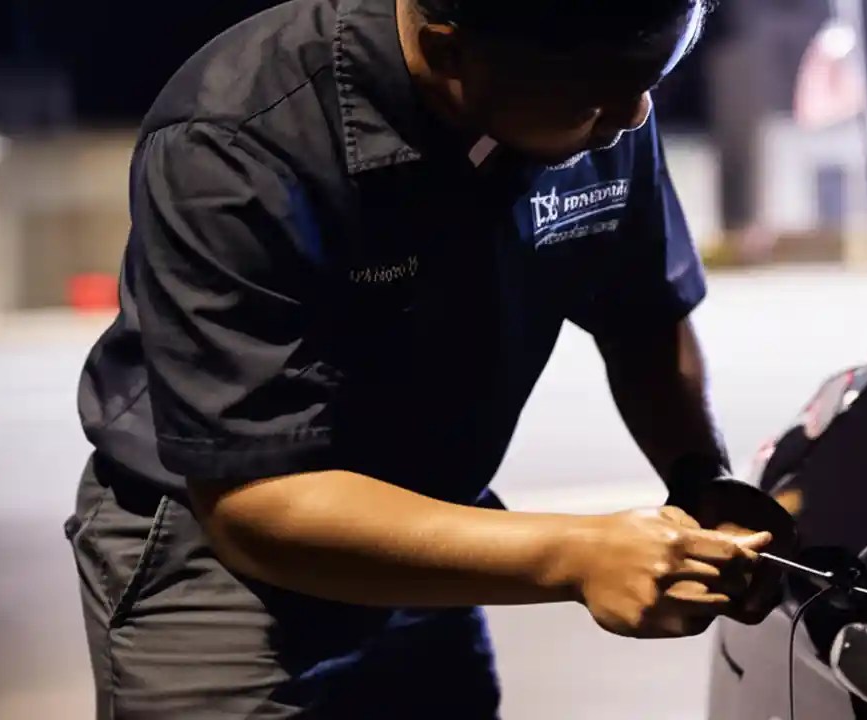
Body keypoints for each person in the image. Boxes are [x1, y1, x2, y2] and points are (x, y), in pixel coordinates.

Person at [65, 1, 788, 717]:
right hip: (224, 563)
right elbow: (254, 503)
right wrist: (576, 555)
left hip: (434, 536)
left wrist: (699, 474)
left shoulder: (595, 86)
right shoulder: (236, 140)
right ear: (448, 54)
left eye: (650, 82)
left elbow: (641, 322)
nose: (632, 118)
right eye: (599, 97)